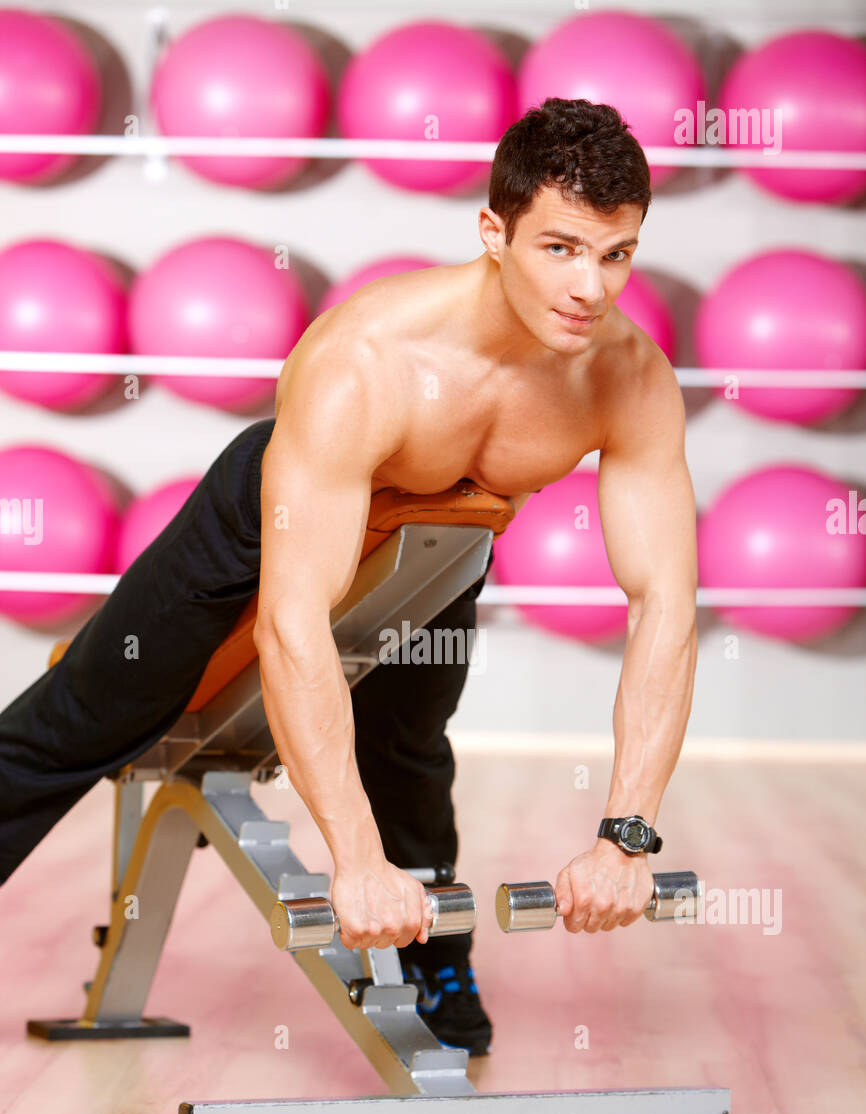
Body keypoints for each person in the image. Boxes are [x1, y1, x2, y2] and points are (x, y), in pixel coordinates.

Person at [0, 98, 697, 1057]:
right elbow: (293, 623)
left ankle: (436, 959)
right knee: (80, 722)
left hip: (444, 544)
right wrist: (354, 863)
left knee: (409, 750)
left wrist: (628, 833)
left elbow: (665, 603)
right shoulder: (365, 361)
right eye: (562, 248)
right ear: (494, 232)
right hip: (268, 521)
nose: (591, 287)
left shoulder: (627, 376)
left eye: (616, 254)